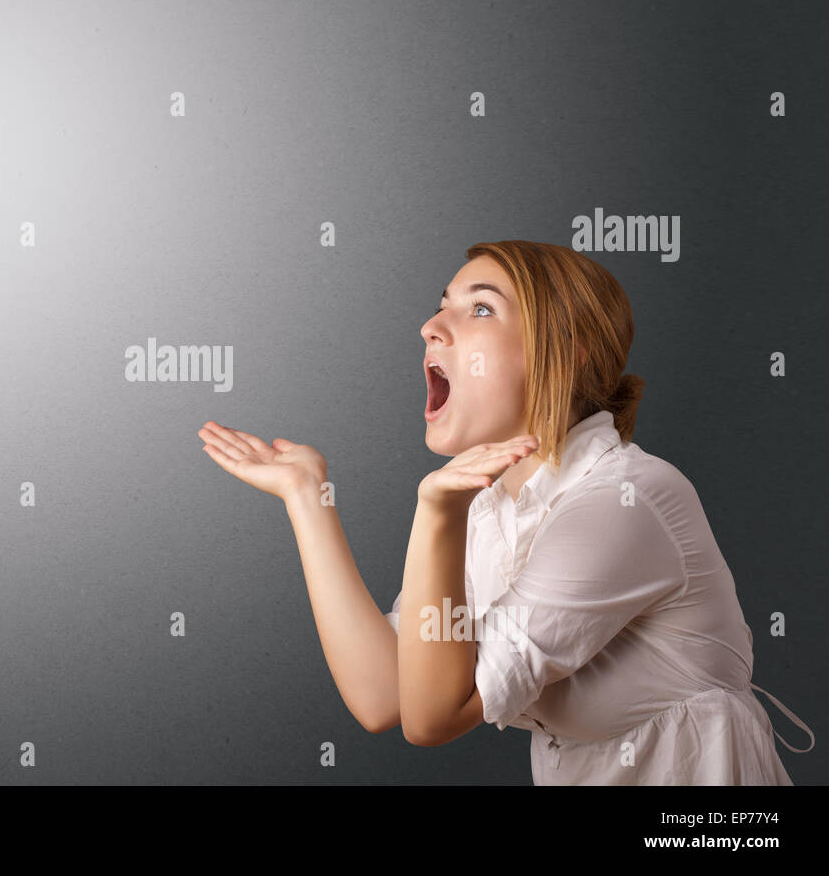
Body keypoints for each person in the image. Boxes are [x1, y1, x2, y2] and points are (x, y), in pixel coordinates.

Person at [197, 239, 813, 785]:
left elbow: (434, 718)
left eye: (481, 308)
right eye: (442, 305)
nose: (431, 326)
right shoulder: (494, 508)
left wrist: (436, 515)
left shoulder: (624, 501)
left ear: (568, 351)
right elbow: (387, 693)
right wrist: (308, 497)